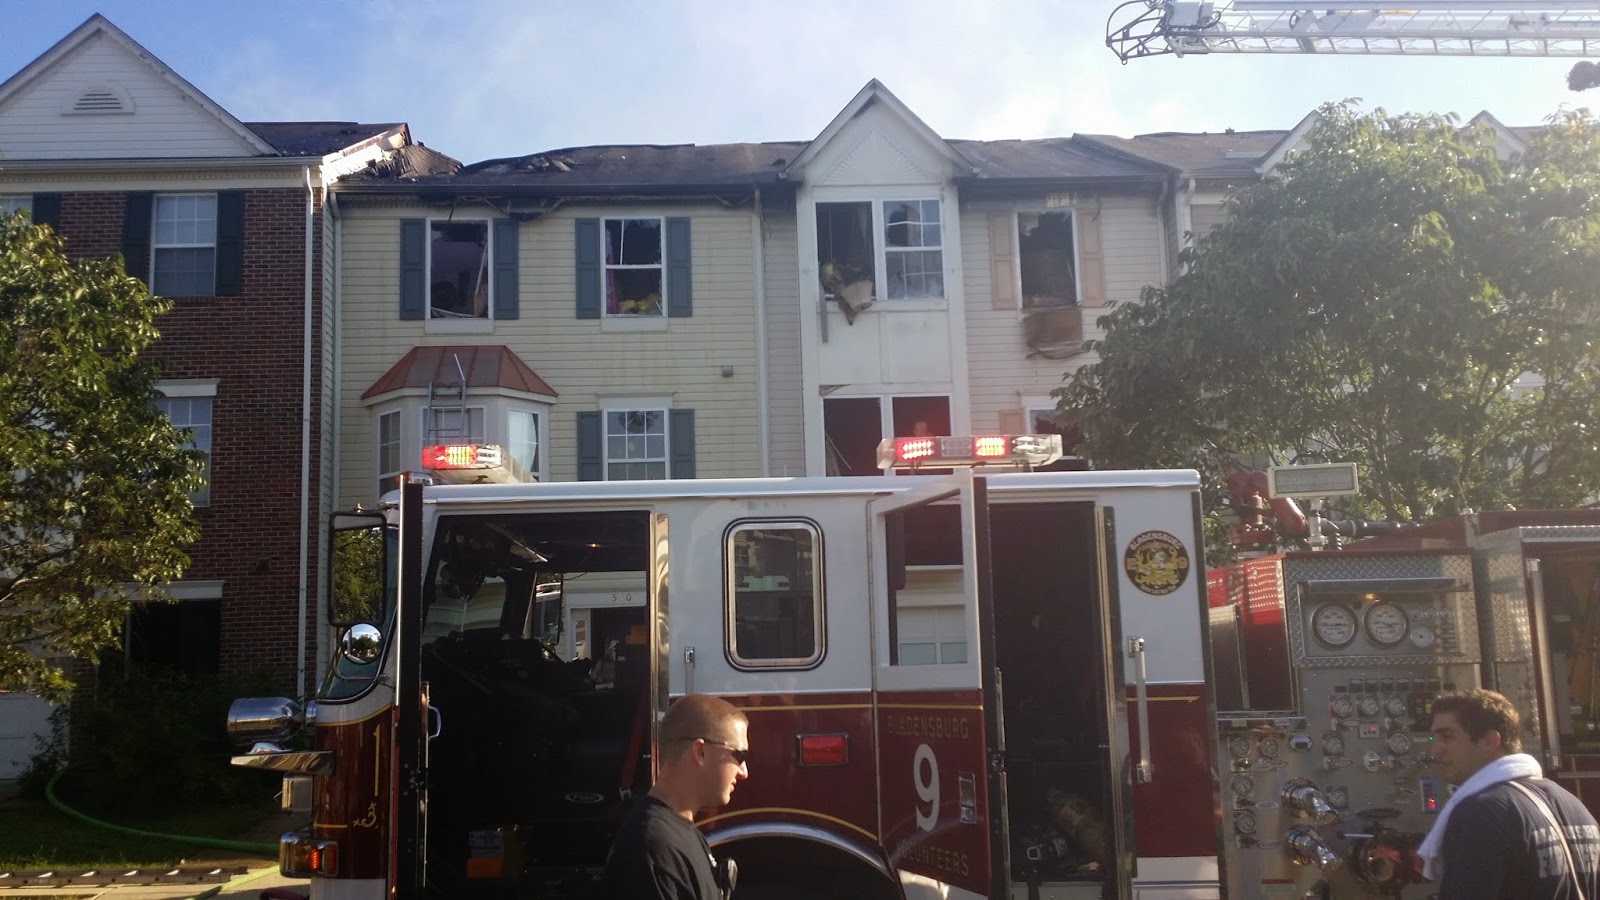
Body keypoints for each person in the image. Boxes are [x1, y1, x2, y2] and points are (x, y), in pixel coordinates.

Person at [1418, 688, 1600, 898]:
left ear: (1489, 741)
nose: (1435, 751)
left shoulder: (1480, 812)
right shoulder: (1572, 804)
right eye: (1434, 739)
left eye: (1447, 737)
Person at [601, 693, 750, 899]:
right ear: (701, 752)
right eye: (739, 755)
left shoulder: (680, 834)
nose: (743, 772)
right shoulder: (654, 852)